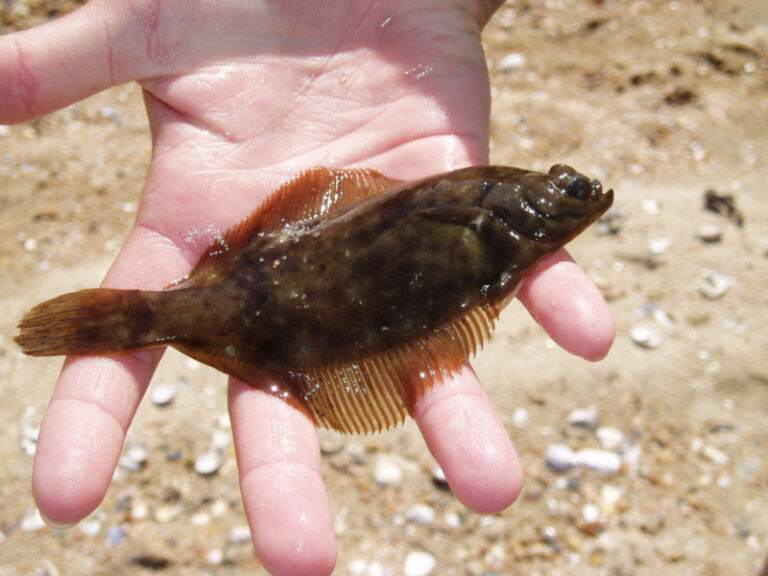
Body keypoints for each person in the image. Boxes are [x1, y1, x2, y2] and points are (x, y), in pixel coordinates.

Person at [0, 1, 614, 574]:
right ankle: (140, 319)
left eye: (571, 193)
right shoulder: (495, 212)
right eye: (567, 189)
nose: (568, 191)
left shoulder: (497, 216)